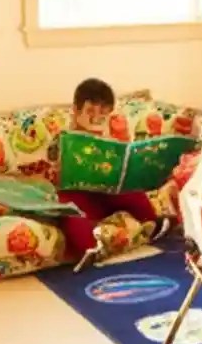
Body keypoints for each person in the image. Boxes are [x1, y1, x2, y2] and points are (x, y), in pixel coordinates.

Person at [59, 77, 171, 272]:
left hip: (107, 195)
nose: (96, 118)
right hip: (79, 195)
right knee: (70, 212)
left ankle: (153, 222)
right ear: (76, 111)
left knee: (129, 190)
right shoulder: (65, 138)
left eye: (102, 114)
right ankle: (90, 249)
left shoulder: (108, 140)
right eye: (90, 112)